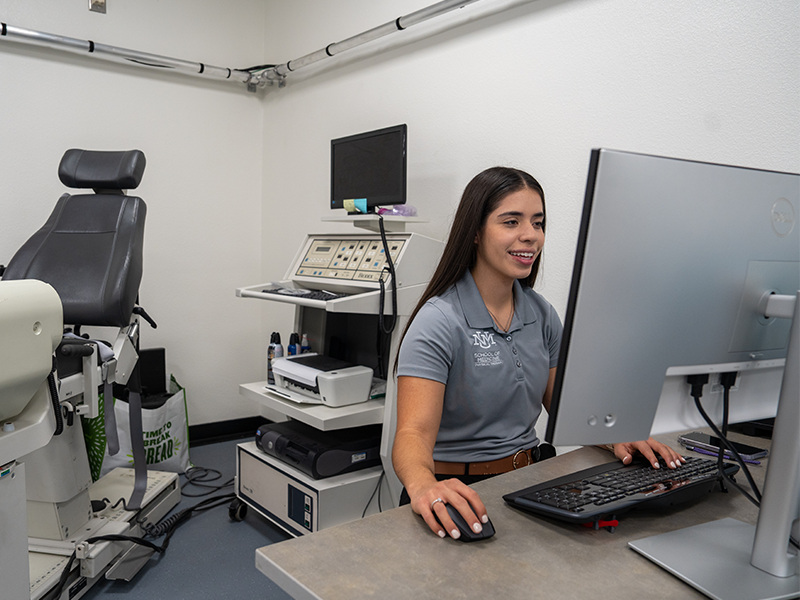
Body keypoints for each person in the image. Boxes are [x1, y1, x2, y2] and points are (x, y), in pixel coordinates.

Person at [392, 166, 684, 540]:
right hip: (458, 493)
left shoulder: (541, 314)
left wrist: (618, 436)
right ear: (476, 233)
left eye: (538, 222)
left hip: (527, 484)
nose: (530, 236)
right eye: (511, 221)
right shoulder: (439, 321)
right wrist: (423, 486)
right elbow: (412, 432)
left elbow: (565, 407)